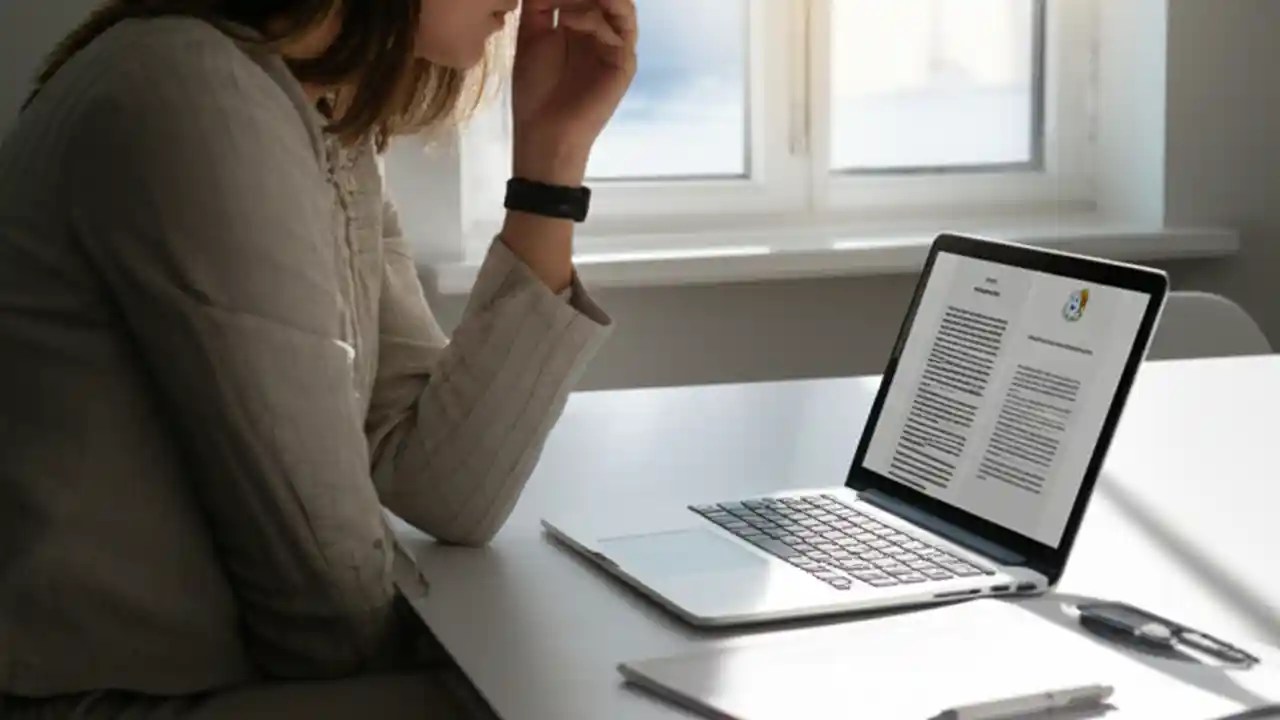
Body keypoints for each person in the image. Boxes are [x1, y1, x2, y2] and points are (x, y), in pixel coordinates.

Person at [0, 0, 636, 716]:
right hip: (114, 698)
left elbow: (444, 485)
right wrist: (499, 657)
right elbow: (319, 609)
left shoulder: (323, 122)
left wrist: (550, 164)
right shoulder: (193, 92)